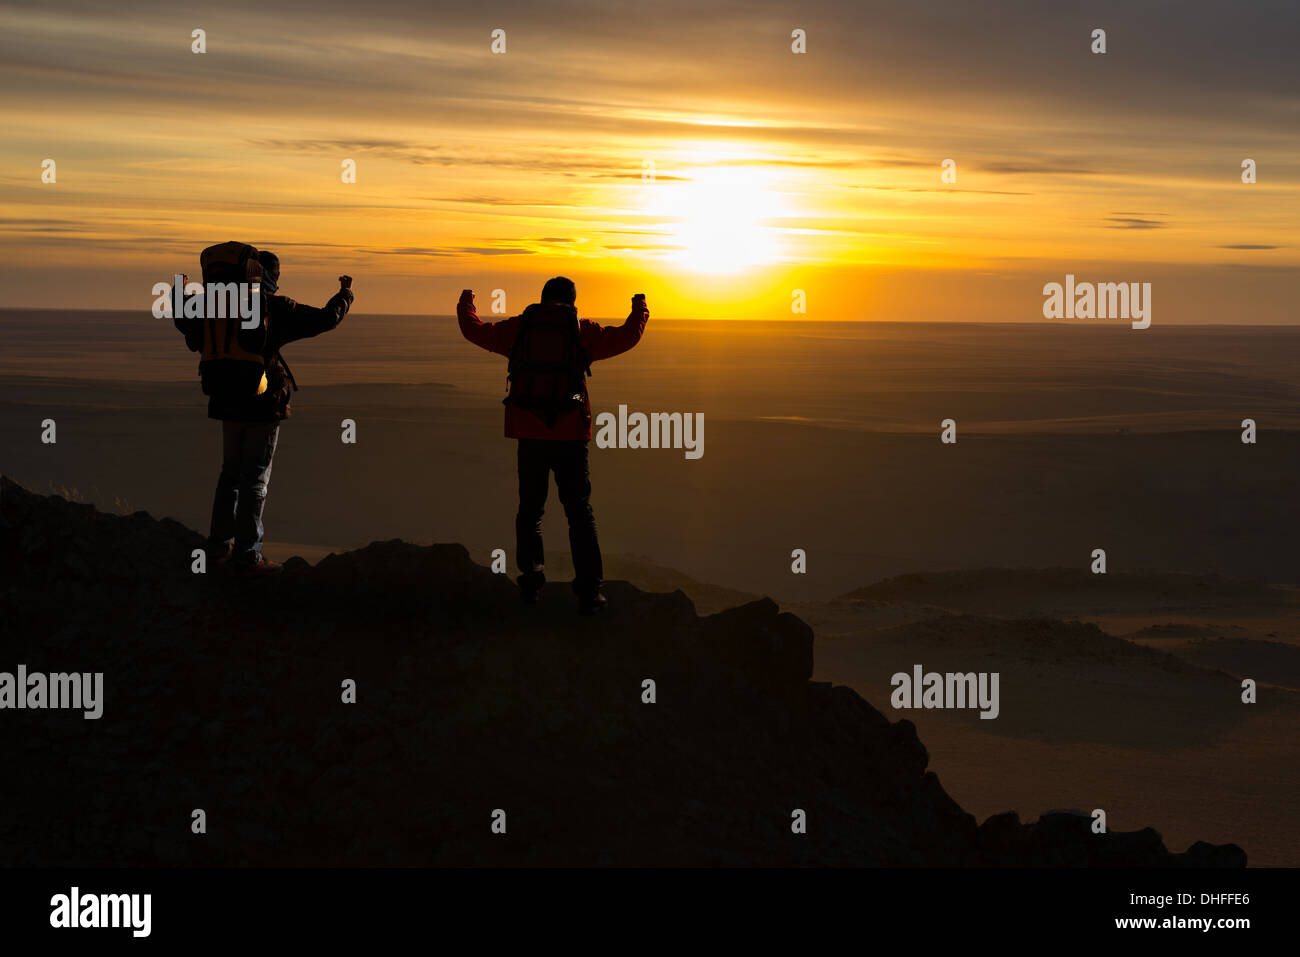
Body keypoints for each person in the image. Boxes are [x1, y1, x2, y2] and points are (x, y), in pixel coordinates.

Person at [457, 278, 648, 613]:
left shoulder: (520, 328)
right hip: (571, 435)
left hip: (530, 434)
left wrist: (467, 301)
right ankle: (590, 593)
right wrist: (639, 307)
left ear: (542, 299)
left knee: (531, 511)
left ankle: (530, 586)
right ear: (573, 301)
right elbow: (627, 336)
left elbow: (475, 331)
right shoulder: (582, 332)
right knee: (579, 513)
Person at [177, 250, 353, 576]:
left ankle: (218, 548)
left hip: (226, 400)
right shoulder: (275, 308)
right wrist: (345, 294)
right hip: (262, 404)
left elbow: (187, 328)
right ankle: (248, 556)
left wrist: (181, 290)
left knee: (229, 474)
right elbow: (325, 319)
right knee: (255, 478)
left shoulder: (217, 306)